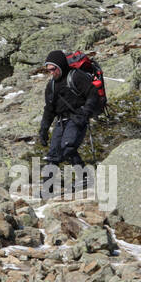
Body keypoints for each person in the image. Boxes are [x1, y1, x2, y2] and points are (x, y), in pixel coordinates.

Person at [37, 50, 102, 195]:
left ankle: (85, 178)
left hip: (77, 117)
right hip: (61, 121)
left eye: (53, 69)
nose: (51, 73)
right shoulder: (51, 86)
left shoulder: (76, 76)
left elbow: (93, 95)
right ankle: (48, 188)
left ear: (60, 65)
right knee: (53, 153)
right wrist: (43, 129)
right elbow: (49, 110)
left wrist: (85, 113)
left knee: (67, 147)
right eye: (48, 70)